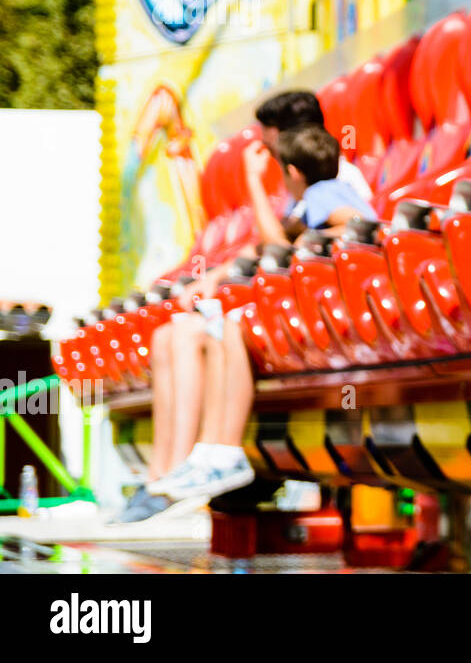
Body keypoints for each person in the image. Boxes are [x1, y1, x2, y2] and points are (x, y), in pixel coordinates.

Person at [112, 99, 374, 522]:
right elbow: (276, 241)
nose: (260, 146)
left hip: (321, 300)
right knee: (177, 330)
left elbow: (335, 230)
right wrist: (213, 278)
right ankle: (171, 472)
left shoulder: (330, 184)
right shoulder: (312, 188)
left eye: (265, 136)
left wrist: (258, 189)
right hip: (296, 292)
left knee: (225, 326)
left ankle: (216, 454)